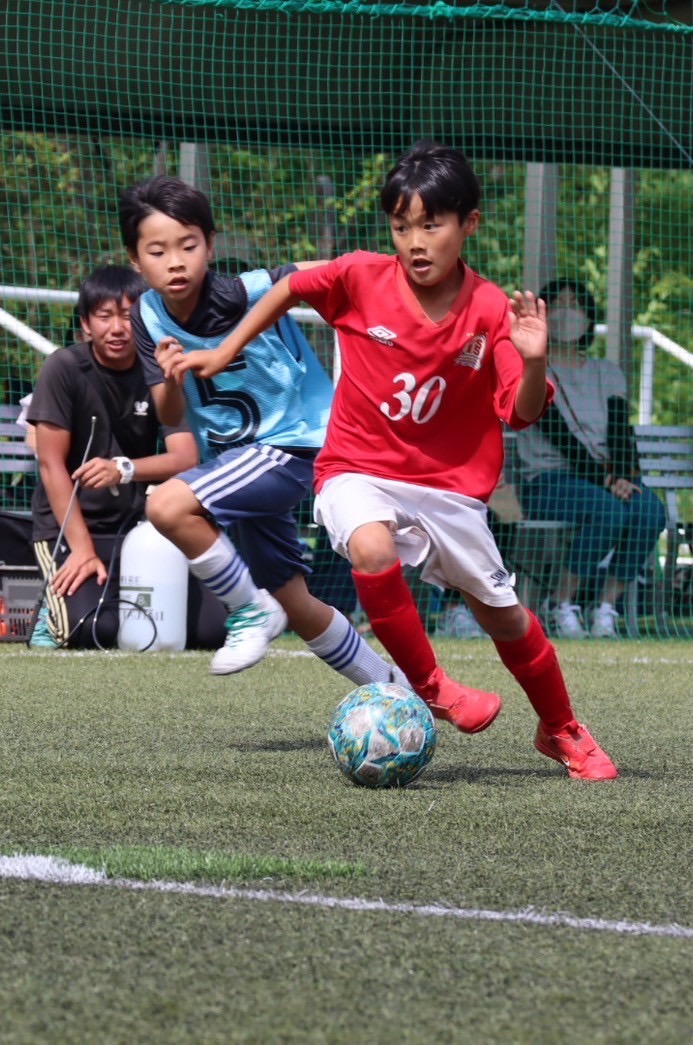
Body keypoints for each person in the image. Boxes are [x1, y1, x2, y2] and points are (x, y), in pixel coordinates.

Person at [186, 142, 618, 780]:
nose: (415, 241)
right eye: (401, 225)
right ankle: (431, 687)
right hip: (355, 468)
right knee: (370, 547)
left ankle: (561, 730)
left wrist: (532, 360)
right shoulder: (361, 276)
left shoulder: (492, 309)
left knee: (506, 617)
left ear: (469, 223)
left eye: (431, 224)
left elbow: (520, 414)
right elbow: (286, 289)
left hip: (450, 491)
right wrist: (222, 355)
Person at [120, 174, 409, 689]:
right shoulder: (146, 313)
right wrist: (169, 378)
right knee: (296, 603)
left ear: (210, 244)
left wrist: (401, 263)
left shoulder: (250, 290)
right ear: (136, 260)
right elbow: (168, 414)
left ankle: (249, 613)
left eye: (189, 245)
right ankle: (393, 688)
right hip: (238, 463)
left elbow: (330, 271)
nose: (176, 261)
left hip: (294, 444)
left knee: (165, 505)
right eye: (158, 251)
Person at [26, 265, 200, 649]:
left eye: (128, 315)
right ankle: (51, 612)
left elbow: (186, 457)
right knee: (93, 630)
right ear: (86, 323)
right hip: (67, 529)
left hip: (137, 530)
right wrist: (82, 549)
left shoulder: (159, 371)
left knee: (205, 630)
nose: (117, 328)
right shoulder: (64, 367)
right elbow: (50, 464)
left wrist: (124, 469)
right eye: (105, 316)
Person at [514, 278, 665, 638]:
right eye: (559, 305)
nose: (568, 312)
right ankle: (562, 601)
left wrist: (625, 475)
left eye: (576, 304)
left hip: (606, 479)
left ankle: (606, 606)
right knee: (608, 510)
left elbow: (620, 432)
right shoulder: (533, 369)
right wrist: (607, 482)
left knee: (650, 510)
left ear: (588, 316)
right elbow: (559, 437)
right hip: (548, 482)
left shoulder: (606, 372)